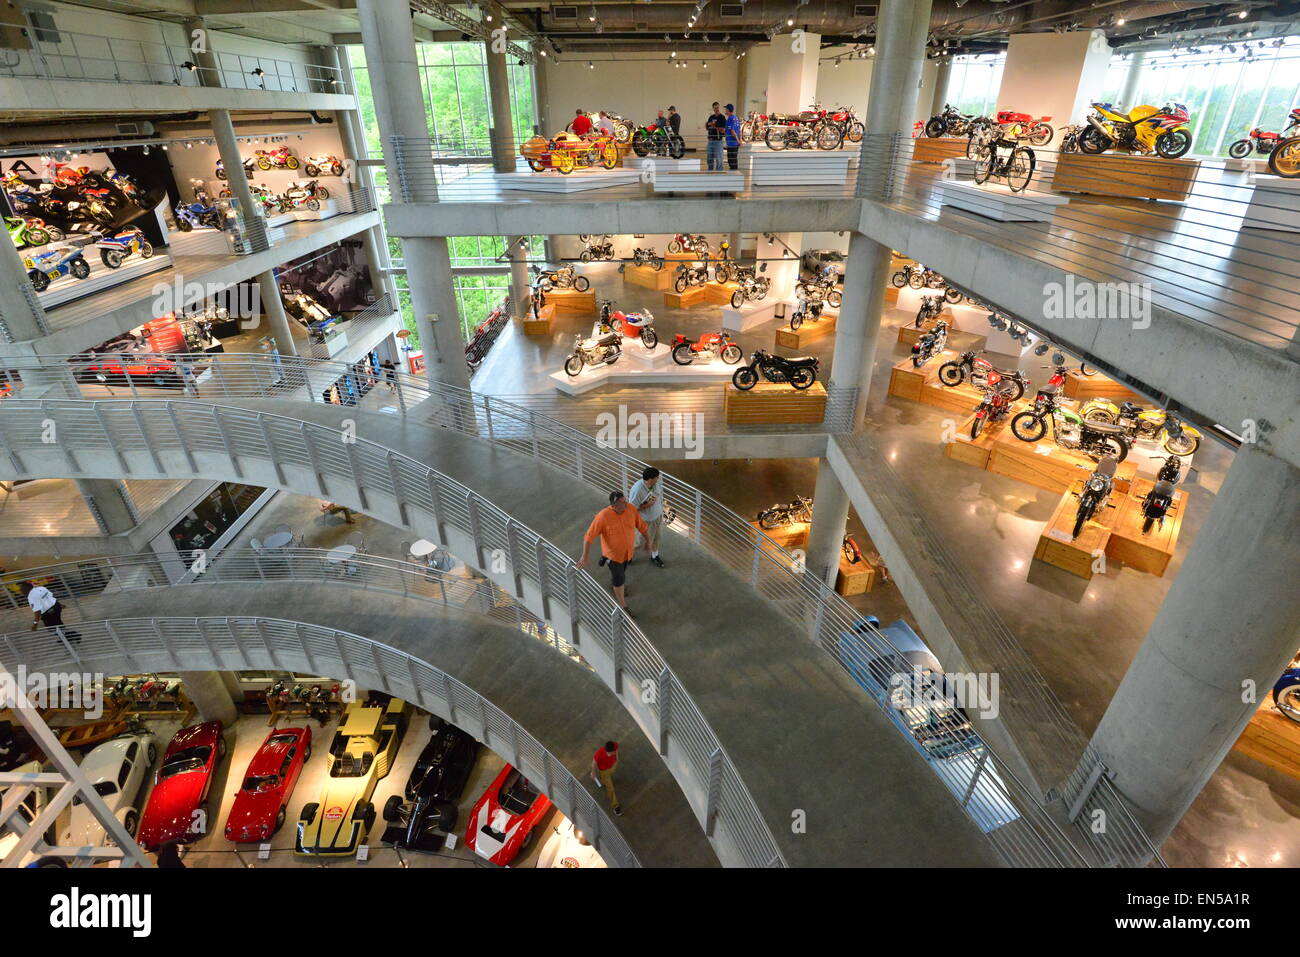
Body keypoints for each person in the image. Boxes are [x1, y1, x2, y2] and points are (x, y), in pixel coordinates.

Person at [577, 491, 650, 611]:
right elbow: (588, 537)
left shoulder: (630, 509)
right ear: (614, 505)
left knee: (621, 574)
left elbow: (641, 526)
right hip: (613, 557)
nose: (626, 503)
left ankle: (616, 585)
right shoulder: (603, 516)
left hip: (627, 554)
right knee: (620, 578)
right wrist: (584, 556)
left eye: (625, 500)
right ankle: (623, 605)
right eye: (622, 502)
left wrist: (648, 541)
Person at [627, 466, 666, 568]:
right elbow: (632, 509)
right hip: (645, 521)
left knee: (657, 538)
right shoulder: (637, 490)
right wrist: (646, 505)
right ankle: (628, 555)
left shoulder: (657, 484)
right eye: (656, 477)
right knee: (638, 542)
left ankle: (655, 556)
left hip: (657, 517)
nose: (658, 479)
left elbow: (659, 497)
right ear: (649, 479)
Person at [591, 740, 622, 816]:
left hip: (612, 766)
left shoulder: (614, 746)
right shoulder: (599, 754)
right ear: (610, 752)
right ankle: (615, 806)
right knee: (610, 788)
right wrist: (593, 773)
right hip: (604, 771)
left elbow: (617, 749)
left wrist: (617, 759)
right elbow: (594, 763)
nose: (615, 752)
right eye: (614, 752)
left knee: (608, 778)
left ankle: (604, 781)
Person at [705, 102, 725, 171]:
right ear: (713, 108)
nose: (717, 109)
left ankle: (719, 174)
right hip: (710, 141)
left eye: (718, 107)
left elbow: (723, 130)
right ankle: (710, 173)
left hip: (718, 141)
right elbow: (707, 127)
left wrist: (715, 126)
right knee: (709, 159)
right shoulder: (711, 117)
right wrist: (707, 124)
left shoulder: (722, 117)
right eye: (715, 108)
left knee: (719, 159)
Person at [724, 104, 743, 170]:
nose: (725, 110)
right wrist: (740, 140)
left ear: (728, 110)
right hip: (735, 144)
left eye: (726, 109)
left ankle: (734, 176)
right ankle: (735, 175)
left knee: (731, 161)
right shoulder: (736, 118)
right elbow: (739, 130)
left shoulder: (730, 119)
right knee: (734, 160)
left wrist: (738, 140)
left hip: (732, 144)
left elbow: (732, 131)